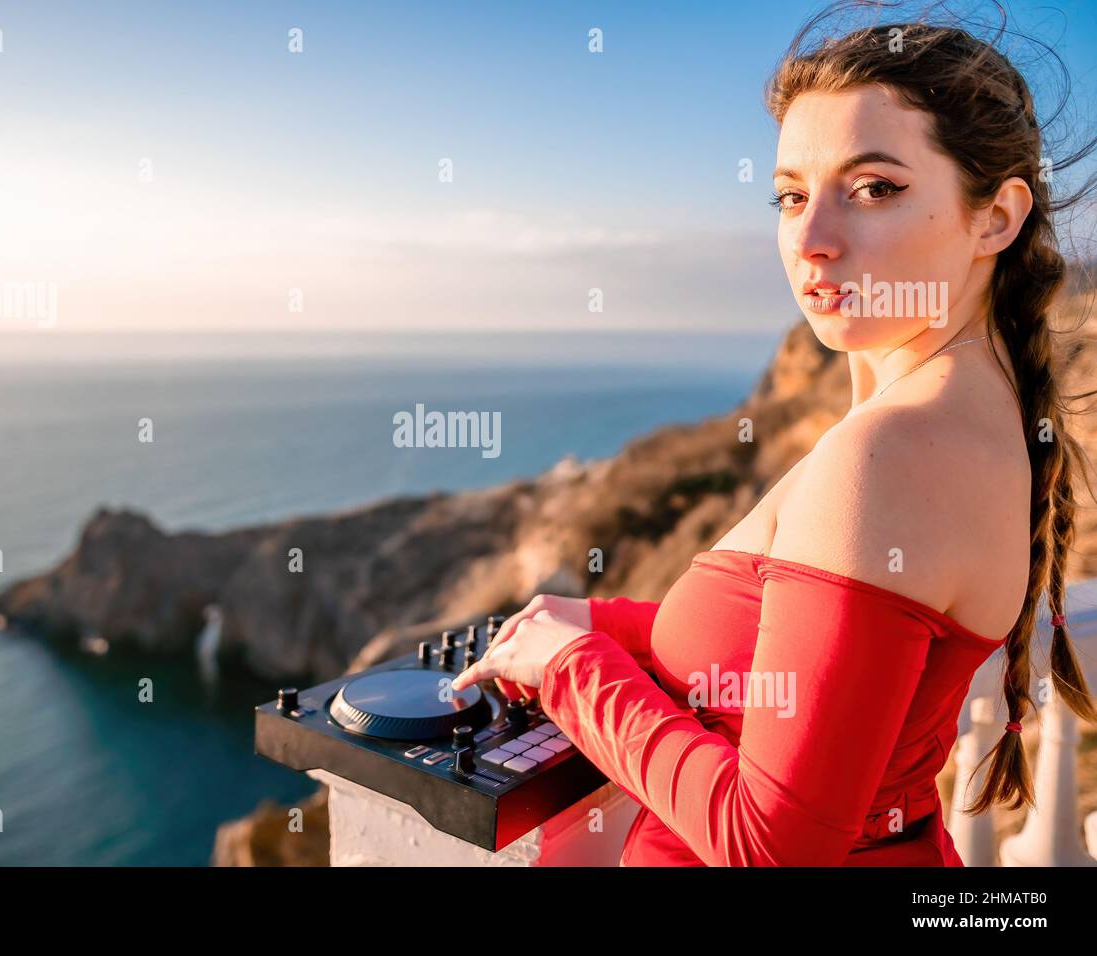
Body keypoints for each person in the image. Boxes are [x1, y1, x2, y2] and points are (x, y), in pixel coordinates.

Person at [453, 8, 1097, 866]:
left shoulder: (895, 453)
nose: (811, 240)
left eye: (874, 188)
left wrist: (573, 666)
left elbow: (774, 845)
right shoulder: (963, 418)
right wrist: (612, 622)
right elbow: (805, 653)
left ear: (996, 216)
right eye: (793, 194)